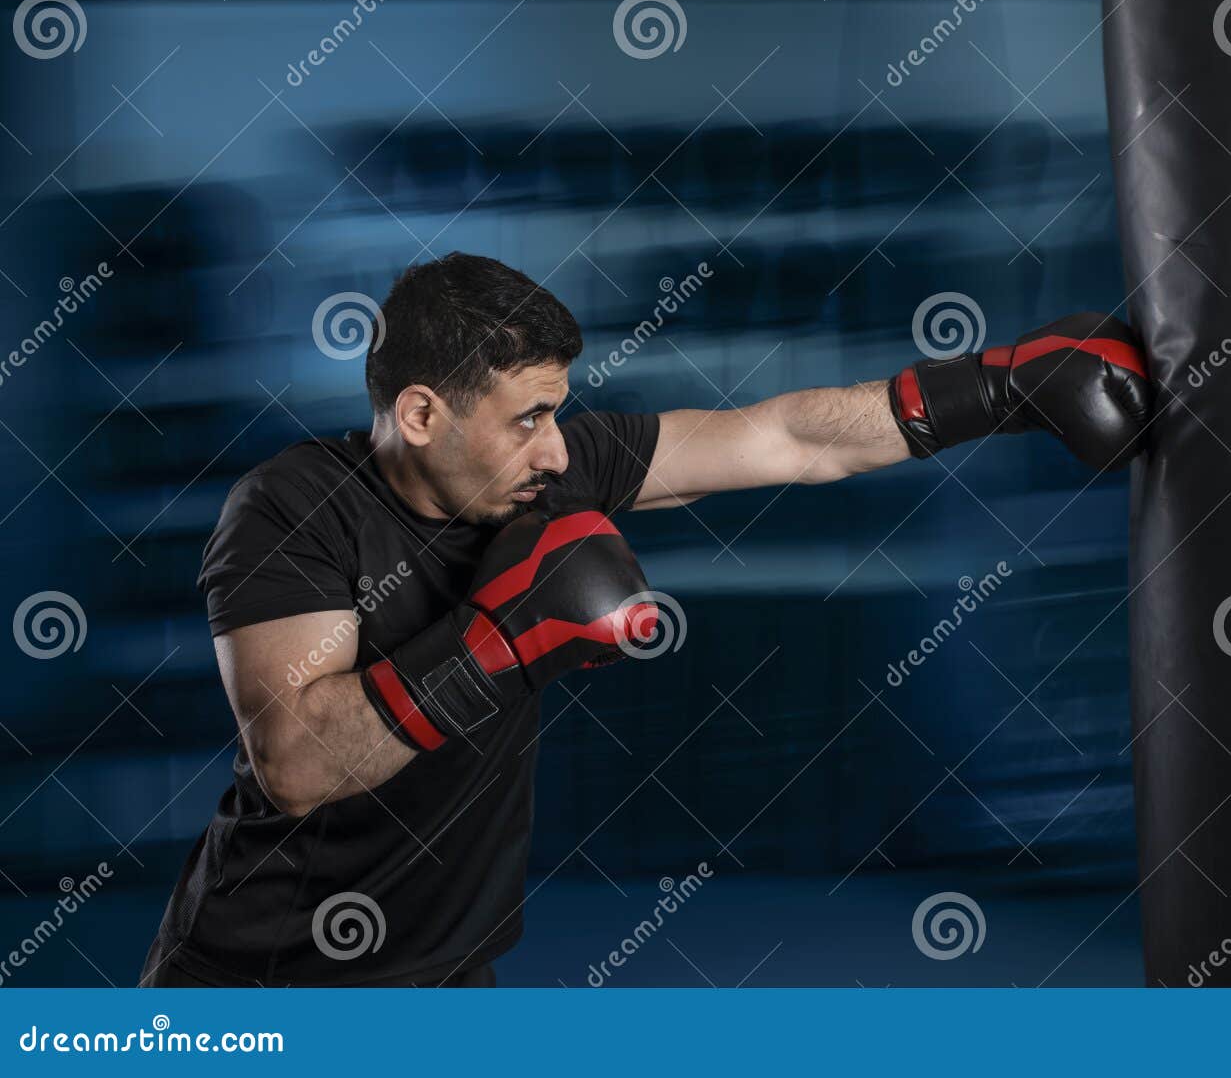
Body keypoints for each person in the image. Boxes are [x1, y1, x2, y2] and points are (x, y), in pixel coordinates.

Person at [139, 251, 1151, 987]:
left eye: (558, 413)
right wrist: (494, 645)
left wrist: (1000, 389)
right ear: (418, 414)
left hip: (447, 975)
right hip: (262, 982)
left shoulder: (545, 474)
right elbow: (298, 758)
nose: (552, 452)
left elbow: (788, 437)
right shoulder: (293, 508)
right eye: (526, 418)